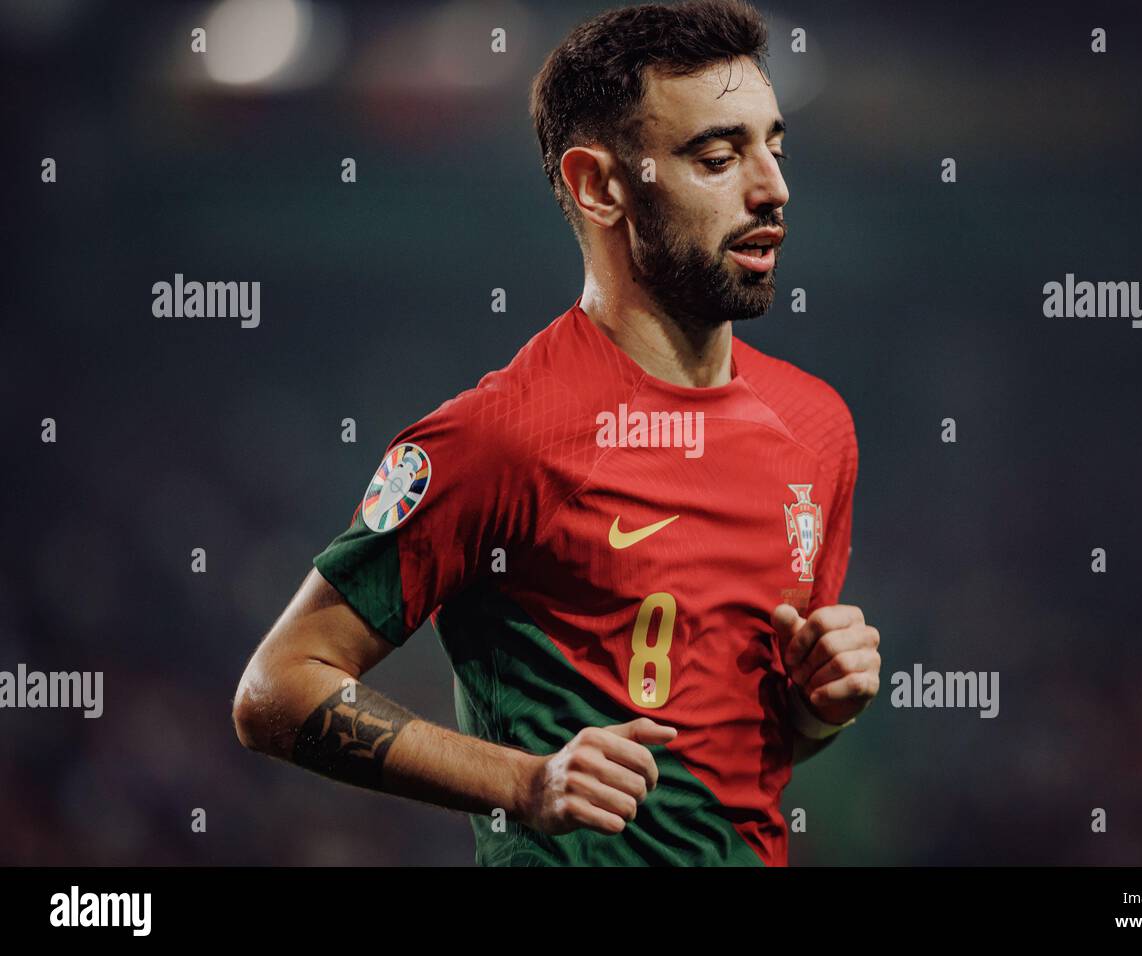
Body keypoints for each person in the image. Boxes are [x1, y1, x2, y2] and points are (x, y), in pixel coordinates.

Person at [233, 0, 881, 866]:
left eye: (775, 146)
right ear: (599, 186)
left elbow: (749, 755)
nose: (772, 188)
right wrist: (521, 784)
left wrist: (819, 705)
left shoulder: (817, 427)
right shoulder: (500, 439)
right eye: (719, 157)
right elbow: (276, 688)